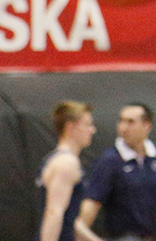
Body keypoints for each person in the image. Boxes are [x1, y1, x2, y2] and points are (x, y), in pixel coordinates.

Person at [78, 104, 156, 241]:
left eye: (130, 122)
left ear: (147, 125)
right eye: (121, 121)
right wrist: (79, 232)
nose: (123, 128)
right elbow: (91, 203)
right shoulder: (110, 161)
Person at [38, 101, 102, 241]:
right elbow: (54, 213)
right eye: (87, 124)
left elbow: (71, 220)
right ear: (70, 127)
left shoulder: (59, 159)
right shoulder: (66, 163)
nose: (92, 130)